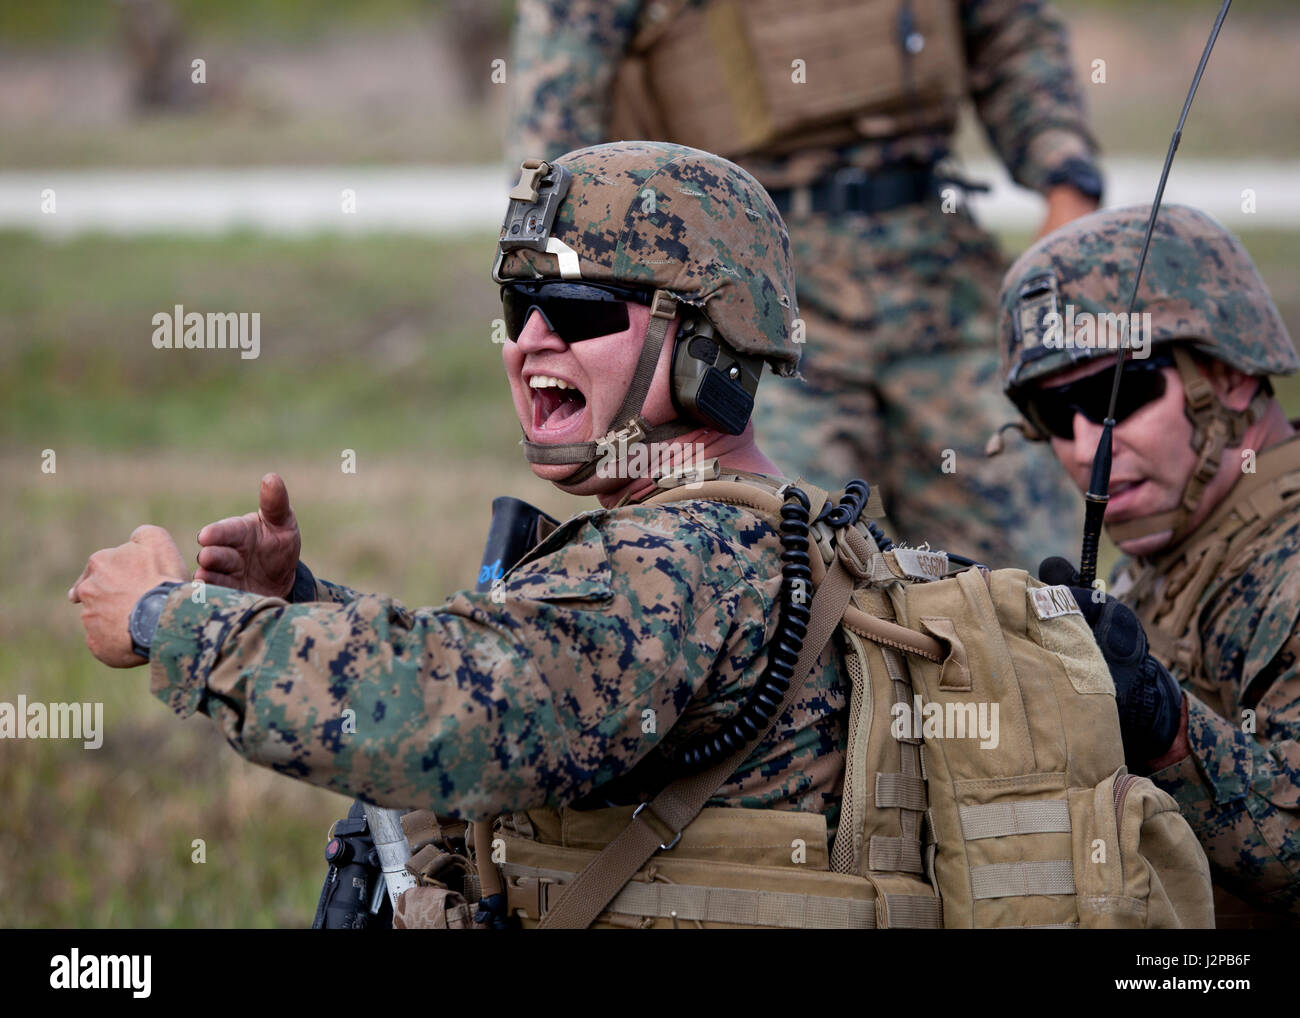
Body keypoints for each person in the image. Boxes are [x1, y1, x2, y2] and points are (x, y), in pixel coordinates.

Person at [506, 0, 1101, 566]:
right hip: (738, 286)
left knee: (1032, 575)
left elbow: (1014, 36)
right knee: (779, 552)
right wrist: (576, 297)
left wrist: (1065, 177)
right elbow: (558, 99)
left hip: (937, 266)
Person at [995, 203, 1300, 926]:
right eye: (1049, 413)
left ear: (1226, 375)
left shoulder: (1286, 570)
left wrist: (1164, 723)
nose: (1079, 444)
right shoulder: (1181, 555)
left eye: (1113, 396)